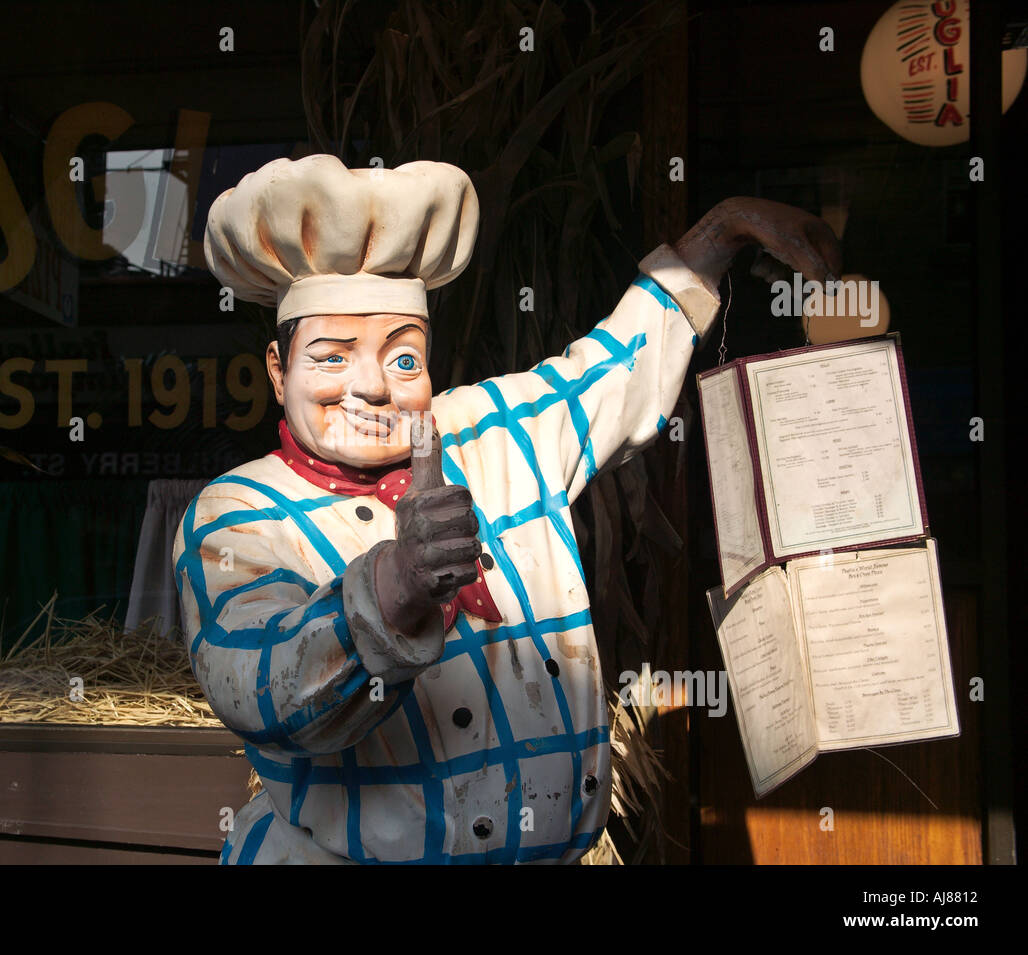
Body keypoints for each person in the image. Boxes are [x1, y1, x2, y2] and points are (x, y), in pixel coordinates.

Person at [176, 154, 839, 864]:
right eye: (332, 358)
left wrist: (723, 231)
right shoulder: (237, 513)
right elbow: (257, 686)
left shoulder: (493, 432)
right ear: (279, 372)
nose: (371, 387)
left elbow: (610, 372)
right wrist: (394, 584)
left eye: (403, 359)